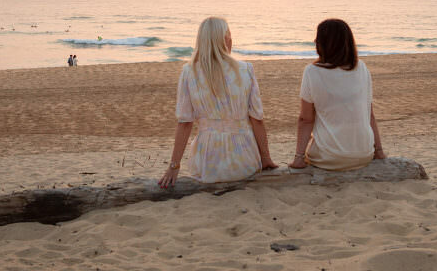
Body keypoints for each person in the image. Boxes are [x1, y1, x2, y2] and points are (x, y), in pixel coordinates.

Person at [159, 17, 277, 187]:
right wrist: (265, 158)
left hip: (207, 160)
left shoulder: (189, 71)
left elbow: (185, 123)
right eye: (229, 34)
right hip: (244, 159)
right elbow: (256, 118)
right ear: (224, 39)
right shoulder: (246, 69)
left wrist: (174, 166)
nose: (231, 39)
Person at [289, 19, 386, 171]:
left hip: (329, 157)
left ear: (321, 43)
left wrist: (298, 158)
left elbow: (305, 119)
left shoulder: (312, 71)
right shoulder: (361, 68)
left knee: (315, 150)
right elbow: (370, 114)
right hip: (364, 154)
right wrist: (379, 151)